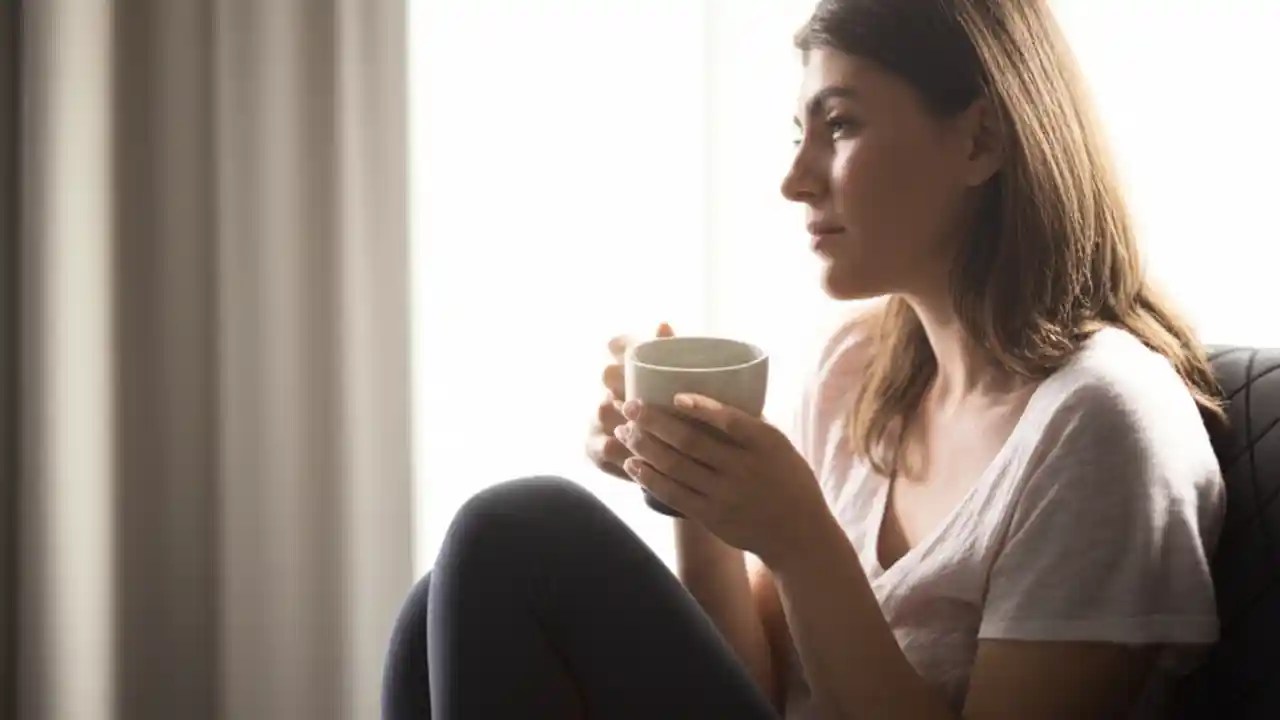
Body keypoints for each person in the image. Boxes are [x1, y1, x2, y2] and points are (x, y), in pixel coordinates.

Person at [381, 0, 1226, 717]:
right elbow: (754, 684)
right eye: (800, 131)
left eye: (841, 125)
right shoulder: (856, 370)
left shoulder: (1104, 424)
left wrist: (802, 541)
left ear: (979, 141)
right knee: (439, 607)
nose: (795, 179)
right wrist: (692, 489)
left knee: (519, 532)